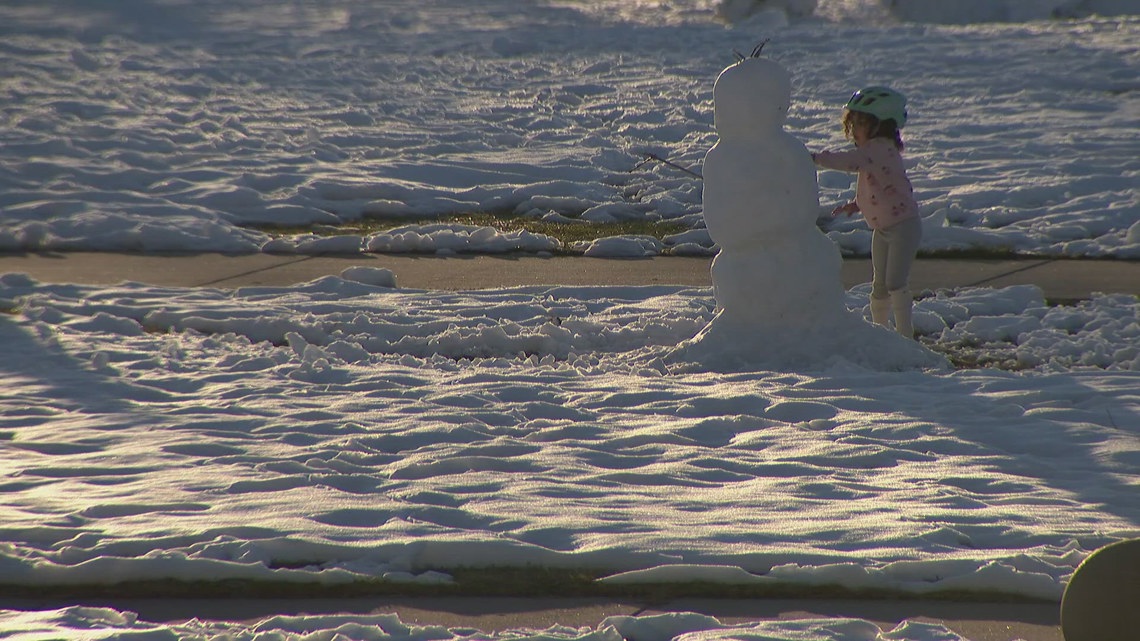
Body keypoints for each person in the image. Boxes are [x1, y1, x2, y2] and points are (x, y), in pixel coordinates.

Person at [811, 87, 922, 338]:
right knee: (879, 287)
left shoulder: (879, 148)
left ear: (880, 125)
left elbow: (850, 161)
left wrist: (815, 158)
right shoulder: (874, 151)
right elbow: (880, 185)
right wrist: (858, 204)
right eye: (853, 124)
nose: (854, 131)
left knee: (895, 283)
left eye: (861, 123)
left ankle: (905, 336)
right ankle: (880, 334)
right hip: (883, 229)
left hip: (903, 227)